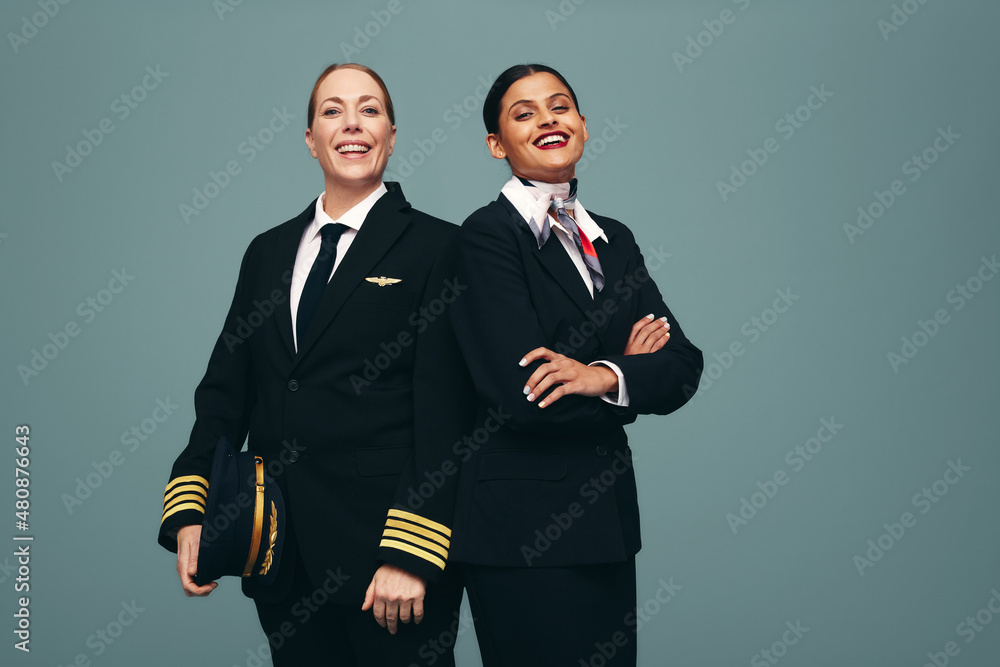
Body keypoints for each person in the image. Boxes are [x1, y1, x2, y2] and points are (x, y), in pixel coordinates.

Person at [157, 63, 473, 666]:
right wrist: (193, 509)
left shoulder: (441, 247)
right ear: (309, 139)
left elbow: (449, 415)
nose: (351, 124)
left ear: (392, 133)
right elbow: (225, 391)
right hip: (281, 556)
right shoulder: (267, 251)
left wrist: (411, 552)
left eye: (369, 110)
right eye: (332, 111)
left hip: (389, 562)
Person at [447, 64, 704, 666]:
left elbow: (683, 365)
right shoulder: (484, 237)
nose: (547, 120)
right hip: (520, 530)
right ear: (496, 145)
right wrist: (627, 371)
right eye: (524, 113)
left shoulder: (615, 238)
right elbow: (524, 394)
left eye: (559, 106)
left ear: (584, 124)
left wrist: (598, 374)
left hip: (606, 523)